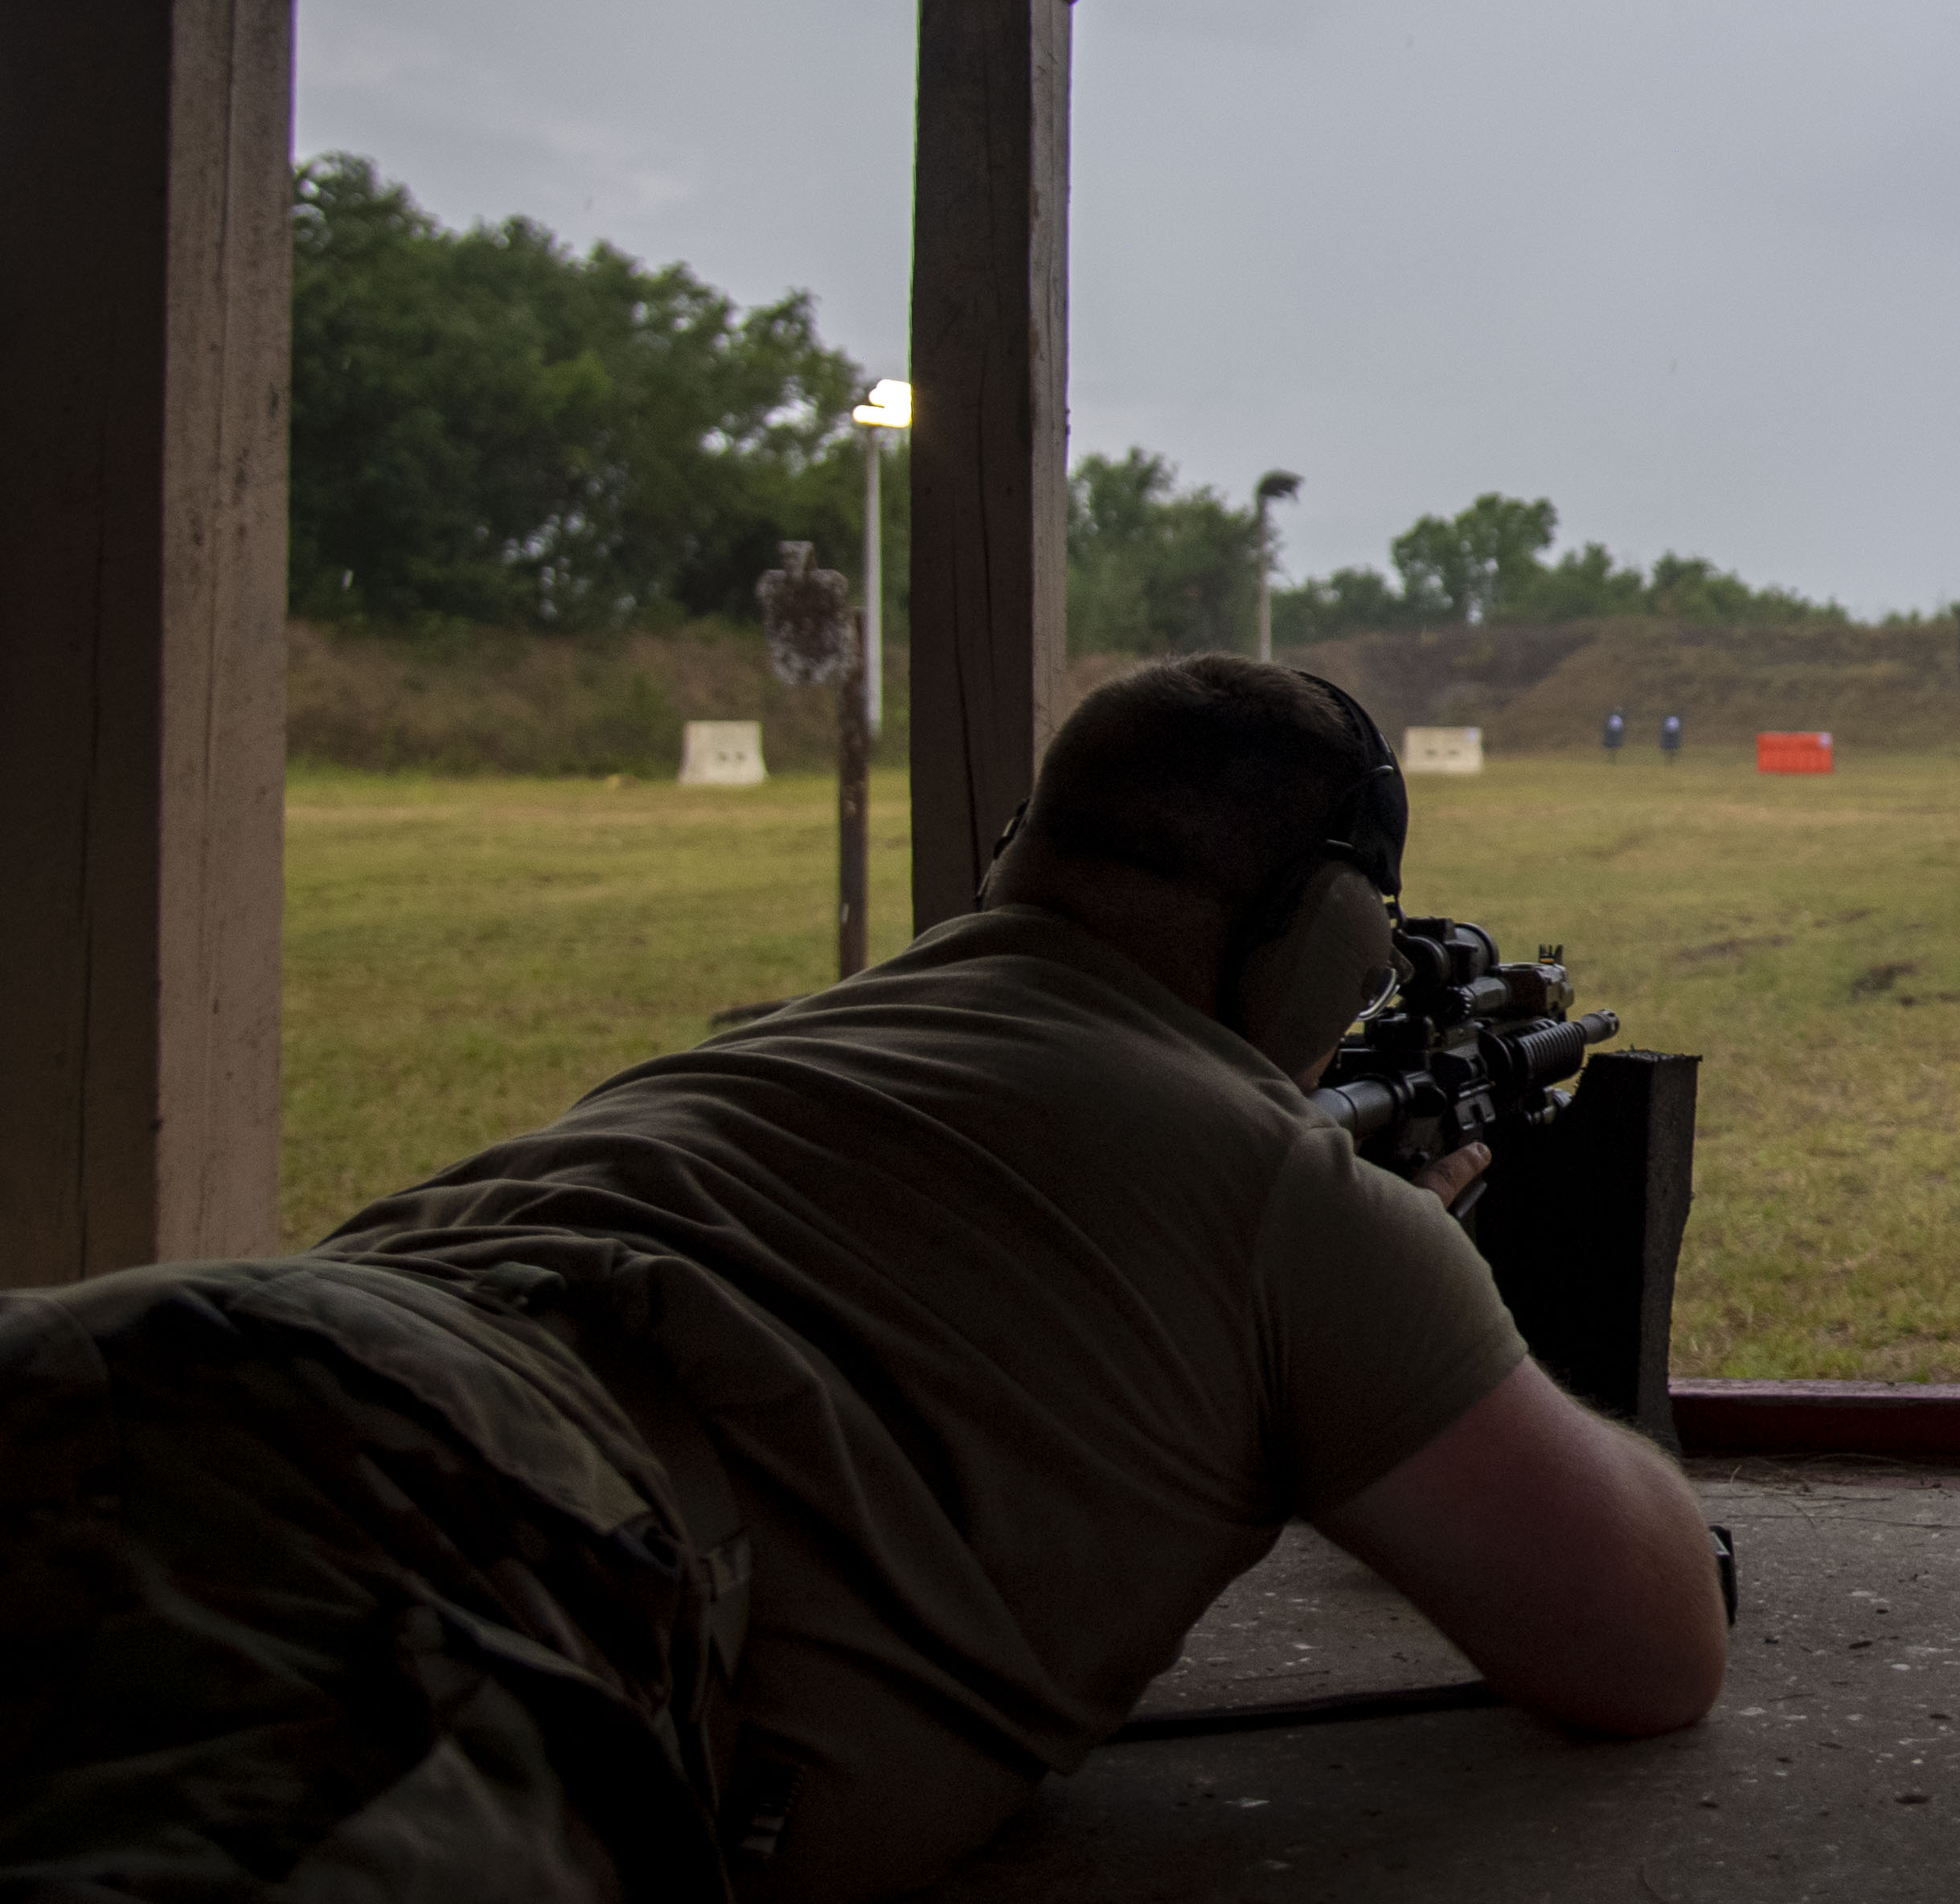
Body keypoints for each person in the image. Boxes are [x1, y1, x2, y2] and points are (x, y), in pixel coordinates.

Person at [0, 658, 1725, 1901]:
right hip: (473, 1533)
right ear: (1328, 934)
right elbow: (1648, 1644)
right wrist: (1405, 1278)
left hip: (140, 1348)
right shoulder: (1284, 1191)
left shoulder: (784, 1041)